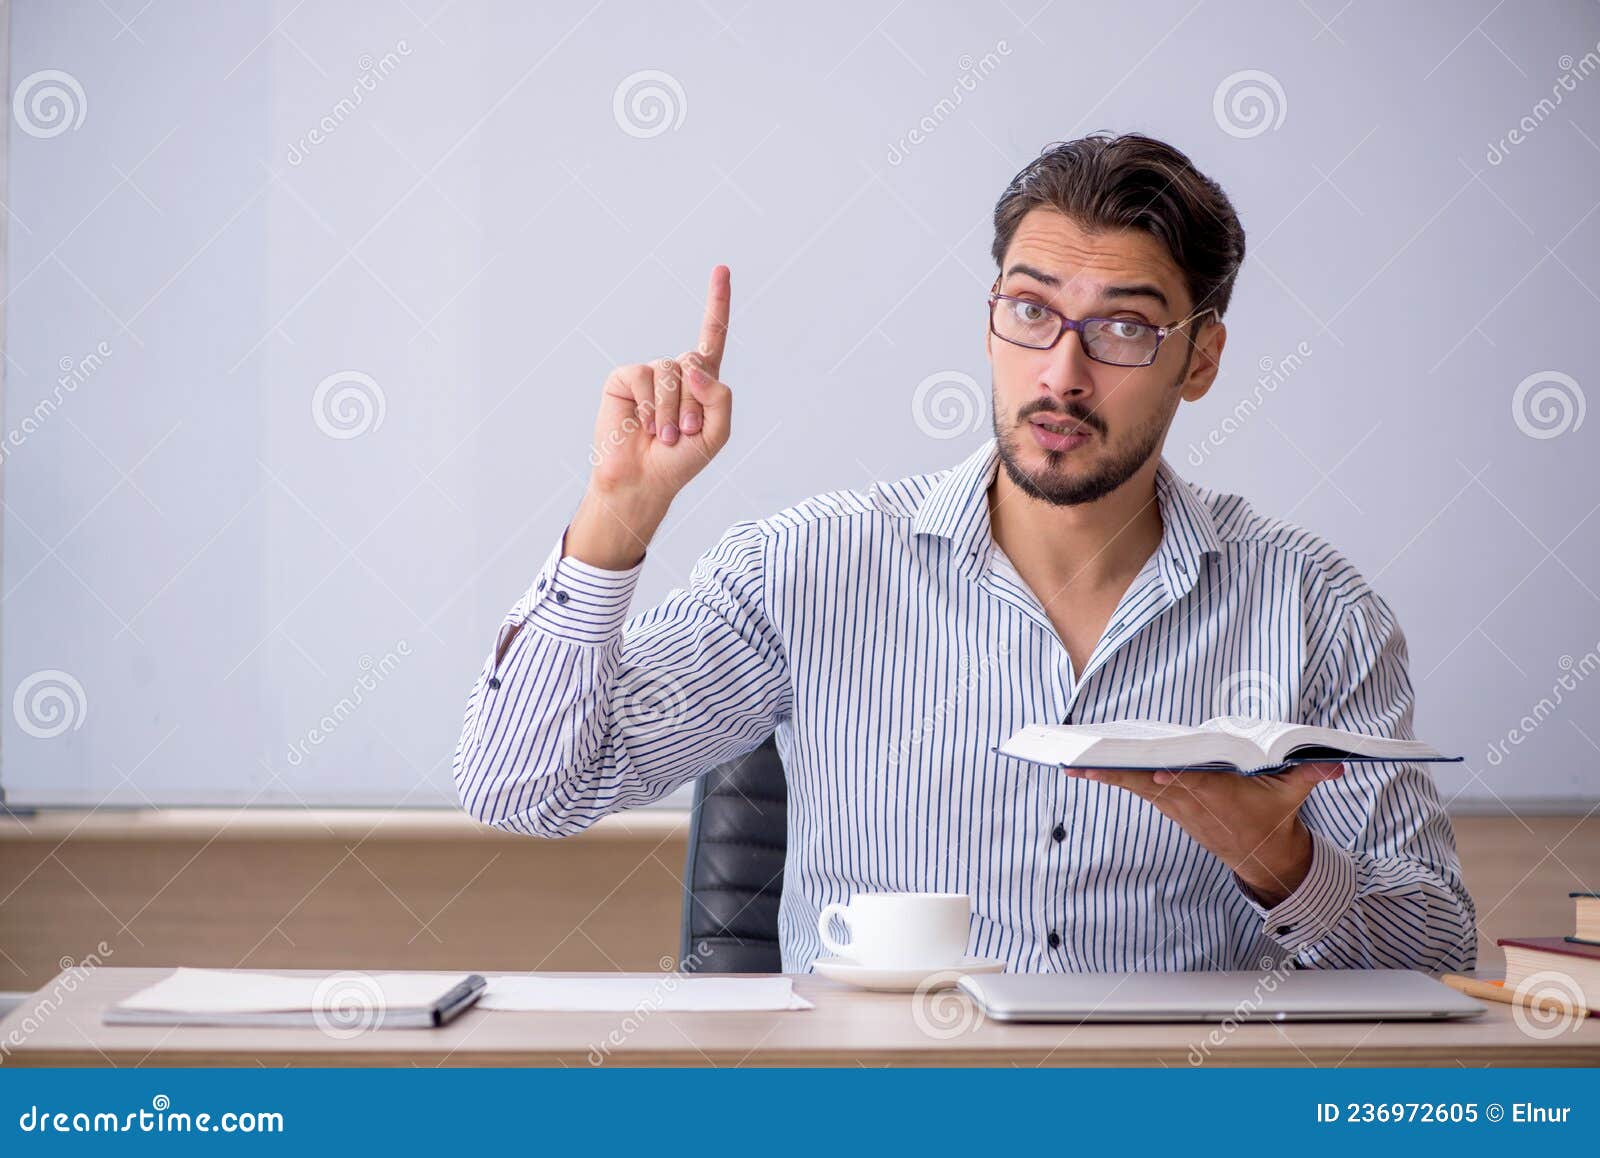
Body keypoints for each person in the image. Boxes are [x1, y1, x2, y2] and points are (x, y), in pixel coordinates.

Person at [453, 132, 1477, 975]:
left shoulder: (1315, 610)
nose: (1062, 373)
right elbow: (521, 789)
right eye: (1031, 311)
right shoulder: (805, 568)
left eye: (1123, 327)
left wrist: (1280, 859)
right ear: (990, 323)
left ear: (1199, 359)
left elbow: (1438, 954)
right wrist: (615, 518)